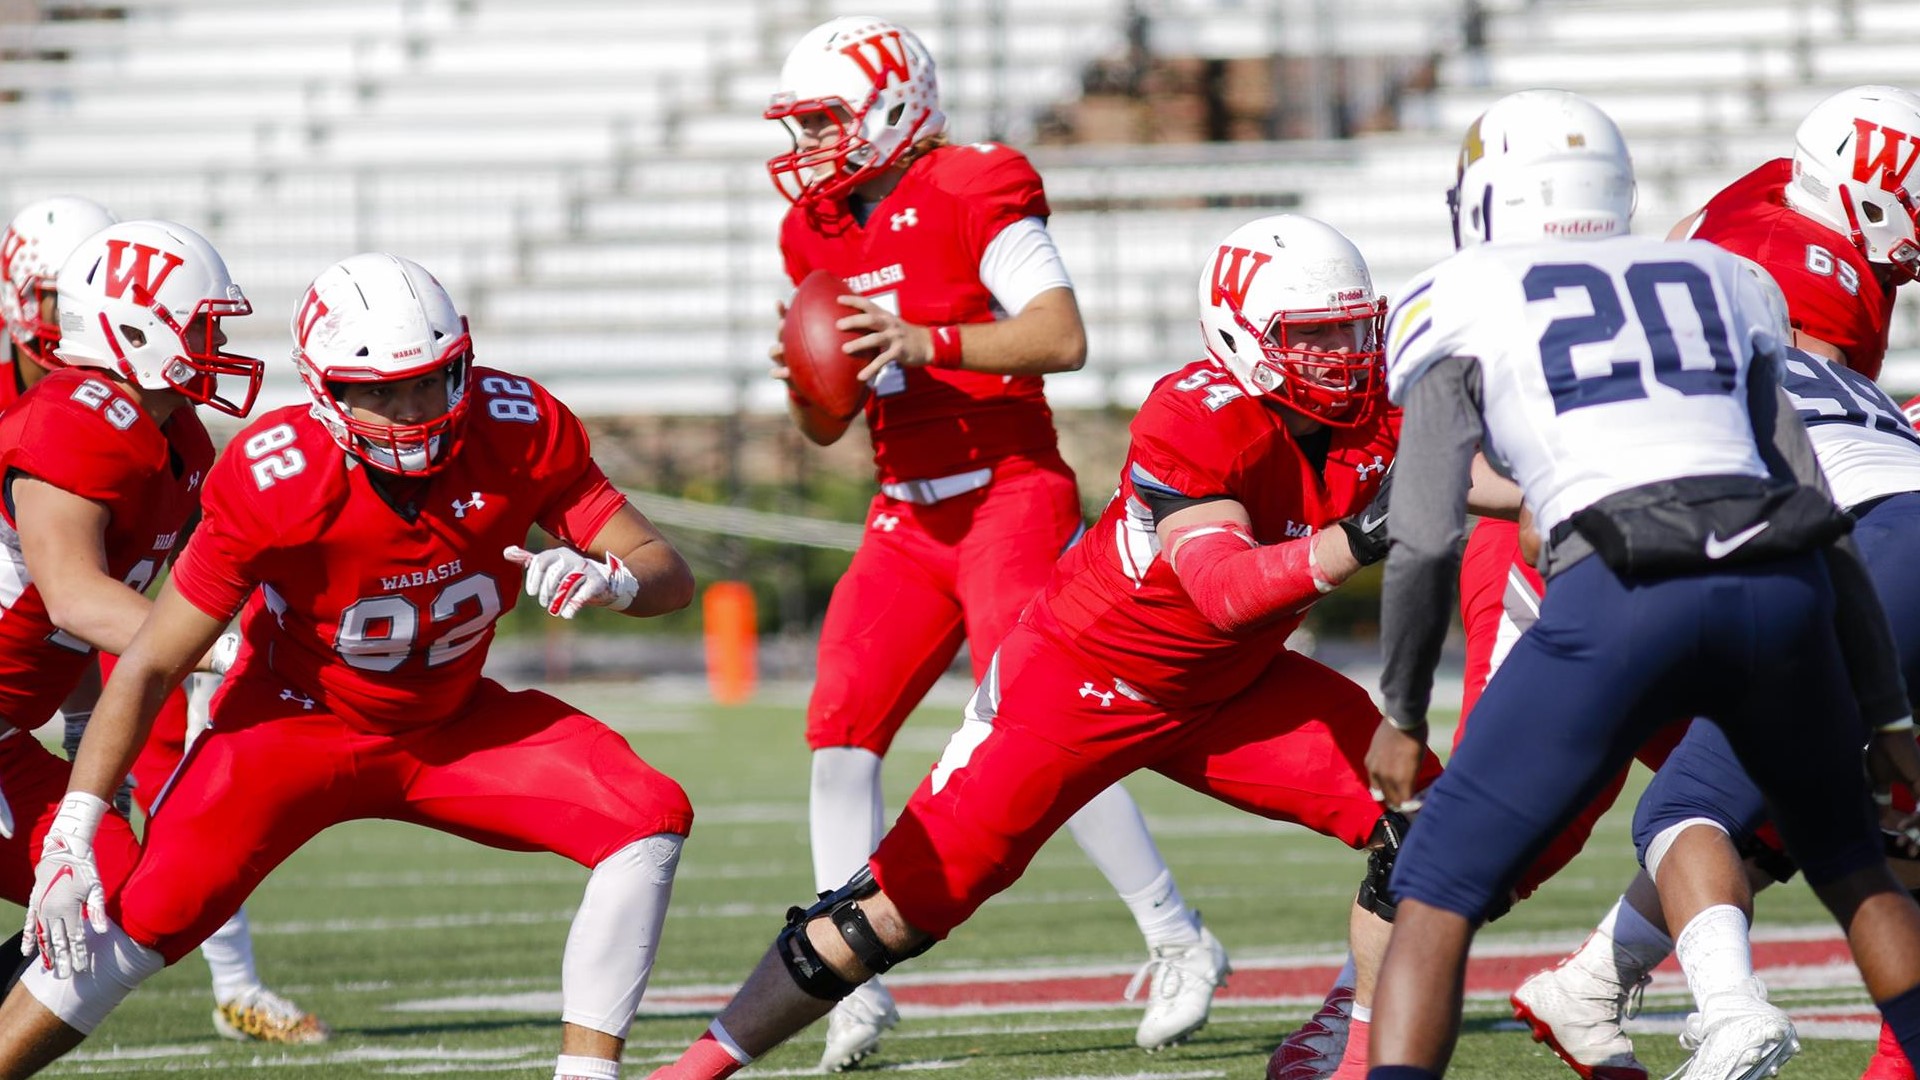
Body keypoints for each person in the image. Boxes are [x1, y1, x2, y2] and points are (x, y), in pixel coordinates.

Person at [642, 212, 1432, 1080]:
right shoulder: (1196, 415)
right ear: (1242, 336)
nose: (1345, 355)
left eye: (1356, 329)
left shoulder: (1381, 410)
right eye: (1315, 336)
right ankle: (694, 1070)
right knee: (894, 908)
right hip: (1084, 682)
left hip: (1231, 687)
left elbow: (1494, 482)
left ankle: (1351, 1046)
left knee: (1436, 828)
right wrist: (1367, 533)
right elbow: (1226, 590)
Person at [0, 252, 697, 1080]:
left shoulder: (519, 426)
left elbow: (665, 570)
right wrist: (77, 825)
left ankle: (586, 1077)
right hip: (292, 728)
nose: (409, 412)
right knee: (131, 922)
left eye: (430, 382)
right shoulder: (273, 476)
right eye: (377, 391)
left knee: (648, 814)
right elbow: (152, 660)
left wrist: (615, 582)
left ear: (463, 365)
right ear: (326, 390)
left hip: (451, 726)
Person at [1366, 88, 1920, 1080]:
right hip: (1784, 581)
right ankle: (1615, 985)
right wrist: (1883, 710)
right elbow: (1807, 500)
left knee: (1438, 884)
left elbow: (1423, 530)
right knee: (1851, 861)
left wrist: (1401, 712)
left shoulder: (1458, 291)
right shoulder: (1725, 281)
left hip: (1624, 575)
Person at [765, 15, 1227, 1067]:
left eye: (827, 120)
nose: (811, 145)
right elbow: (824, 421)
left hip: (1007, 490)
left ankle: (1177, 937)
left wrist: (928, 340)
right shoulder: (813, 233)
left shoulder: (974, 185)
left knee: (1037, 719)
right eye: (802, 124)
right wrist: (805, 380)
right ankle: (852, 982)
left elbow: (1061, 333)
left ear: (894, 109)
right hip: (906, 509)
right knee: (839, 731)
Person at [0, 197, 330, 1045]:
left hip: (6, 735)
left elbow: (63, 621)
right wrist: (226, 650)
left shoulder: (173, 431)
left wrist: (83, 724)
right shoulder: (80, 418)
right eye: (201, 329)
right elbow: (75, 596)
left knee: (111, 886)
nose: (216, 351)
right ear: (135, 330)